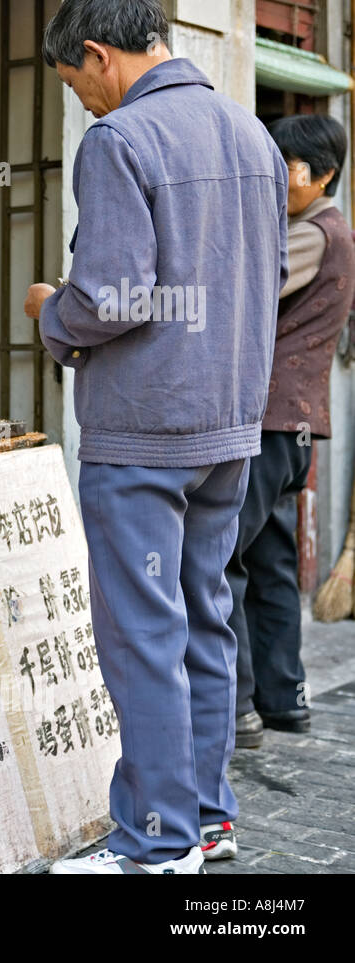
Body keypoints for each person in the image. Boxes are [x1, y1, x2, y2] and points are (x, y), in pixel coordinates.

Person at [24, 0, 288, 874]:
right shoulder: (251, 134)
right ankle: (208, 820)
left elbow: (114, 297)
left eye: (75, 86)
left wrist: (51, 313)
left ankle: (156, 843)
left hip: (143, 431)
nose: (84, 107)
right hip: (229, 426)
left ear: (98, 55)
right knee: (204, 625)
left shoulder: (122, 141)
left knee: (142, 639)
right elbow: (265, 279)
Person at [229, 115, 355, 750]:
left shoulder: (312, 233)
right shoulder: (328, 228)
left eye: (288, 168)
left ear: (322, 173)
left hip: (271, 420)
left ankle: (240, 708)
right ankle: (286, 700)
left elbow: (250, 291)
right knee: (273, 561)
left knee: (224, 557)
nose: (277, 178)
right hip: (295, 425)